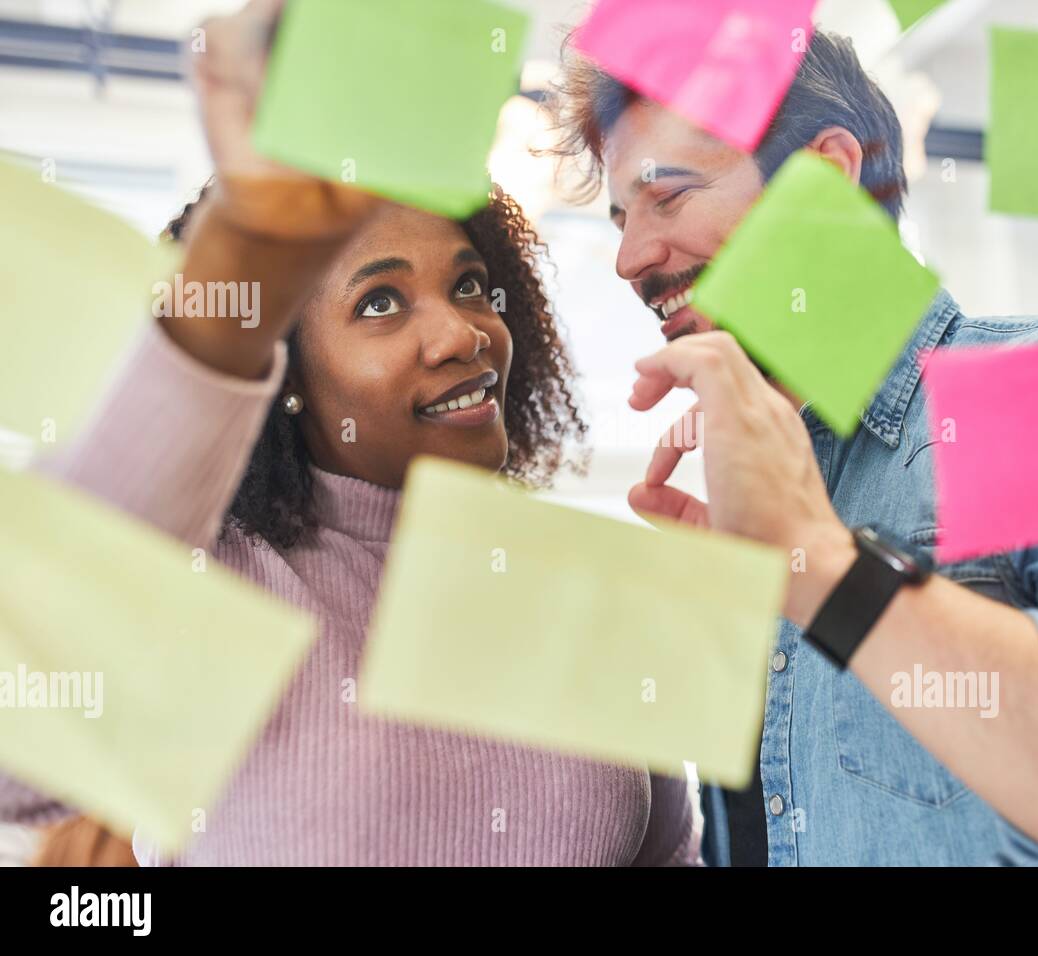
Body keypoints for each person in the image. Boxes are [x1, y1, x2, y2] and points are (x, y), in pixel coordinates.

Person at [546, 28, 1038, 865]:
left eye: (670, 197)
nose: (628, 258)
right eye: (621, 219)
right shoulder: (746, 509)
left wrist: (825, 567)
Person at [0, 0, 698, 866]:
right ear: (286, 379)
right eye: (380, 302)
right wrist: (249, 246)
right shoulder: (224, 577)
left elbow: (669, 856)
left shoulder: (583, 587)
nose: (462, 334)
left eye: (473, 286)